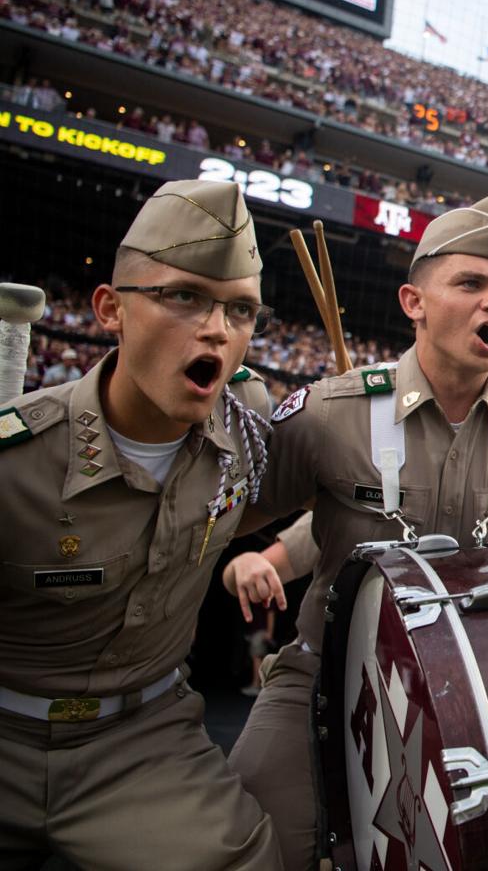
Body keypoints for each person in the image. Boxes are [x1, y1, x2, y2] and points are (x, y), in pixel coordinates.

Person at [226, 189, 488, 870]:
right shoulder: (331, 415)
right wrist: (242, 560)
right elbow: (223, 517)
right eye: (471, 283)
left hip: (482, 690)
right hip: (326, 676)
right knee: (253, 840)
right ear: (413, 302)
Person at [0, 180, 280, 868]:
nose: (217, 328)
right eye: (184, 296)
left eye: (241, 310)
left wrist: (278, 555)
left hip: (142, 742)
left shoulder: (249, 430)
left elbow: (339, 492)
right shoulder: (19, 457)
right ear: (109, 310)